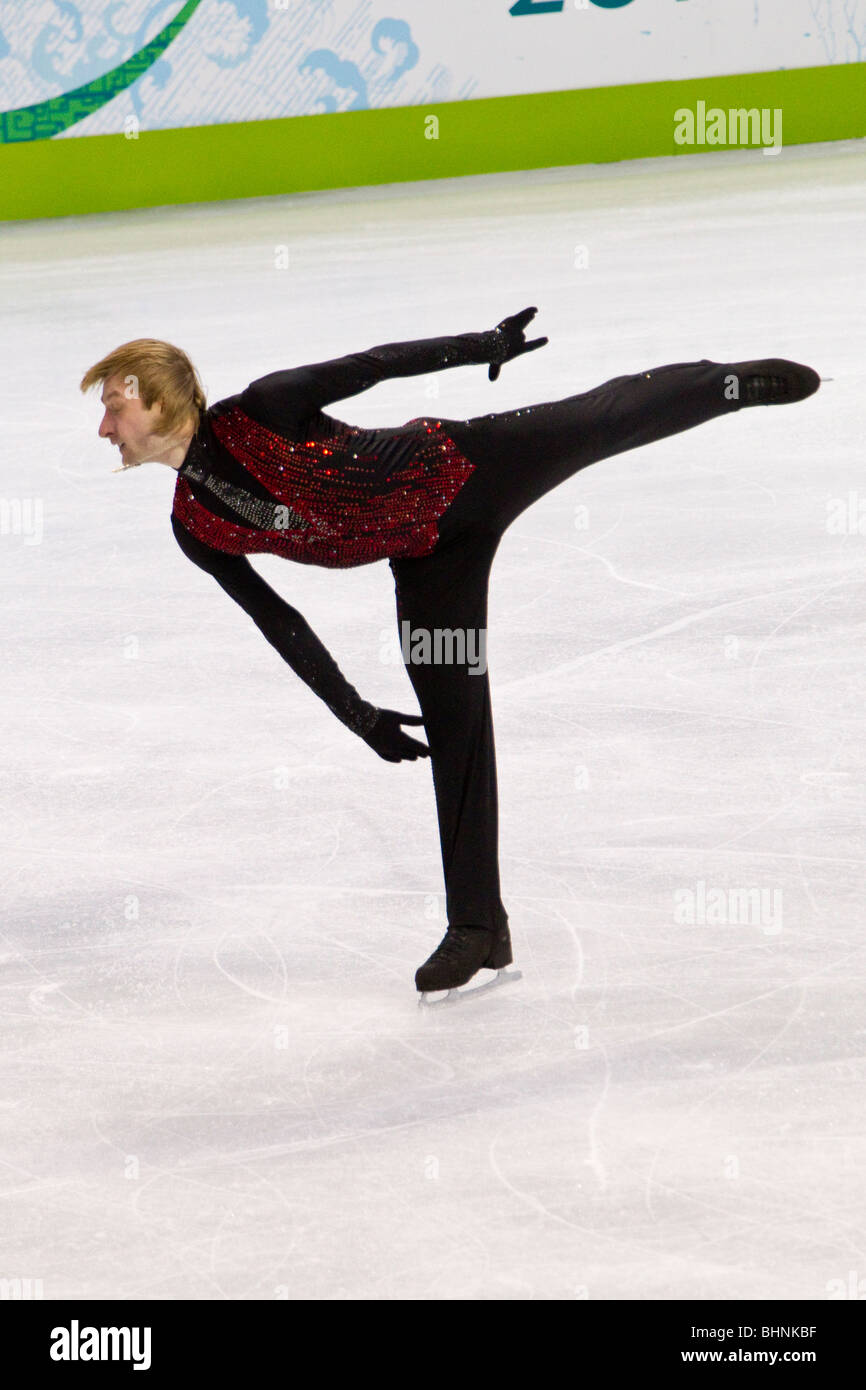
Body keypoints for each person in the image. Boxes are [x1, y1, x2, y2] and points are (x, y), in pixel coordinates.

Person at [80, 311, 821, 996]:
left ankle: (724, 381)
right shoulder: (196, 524)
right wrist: (357, 714)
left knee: (596, 421)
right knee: (457, 728)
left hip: (470, 466)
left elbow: (376, 363)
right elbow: (279, 620)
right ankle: (479, 929)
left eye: (116, 405)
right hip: (435, 563)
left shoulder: (262, 409)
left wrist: (485, 347)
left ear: (164, 401)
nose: (106, 426)